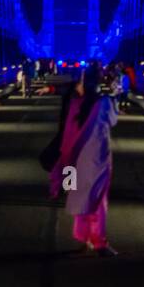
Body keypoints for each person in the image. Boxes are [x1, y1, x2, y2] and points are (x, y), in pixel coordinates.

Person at [49, 63, 119, 256]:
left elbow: (66, 132)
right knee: (98, 200)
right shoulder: (104, 102)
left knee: (81, 197)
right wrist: (113, 94)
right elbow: (114, 120)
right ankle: (98, 241)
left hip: (76, 158)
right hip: (98, 158)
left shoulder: (76, 105)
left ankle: (82, 236)